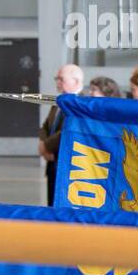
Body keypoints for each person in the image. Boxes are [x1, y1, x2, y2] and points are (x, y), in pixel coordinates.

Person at [39, 63, 84, 206]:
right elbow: (45, 126)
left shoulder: (81, 104)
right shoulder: (58, 101)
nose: (57, 82)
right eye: (56, 78)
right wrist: (42, 144)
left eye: (61, 79)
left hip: (69, 167)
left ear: (76, 81)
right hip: (53, 165)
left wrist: (46, 146)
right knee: (51, 205)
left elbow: (67, 131)